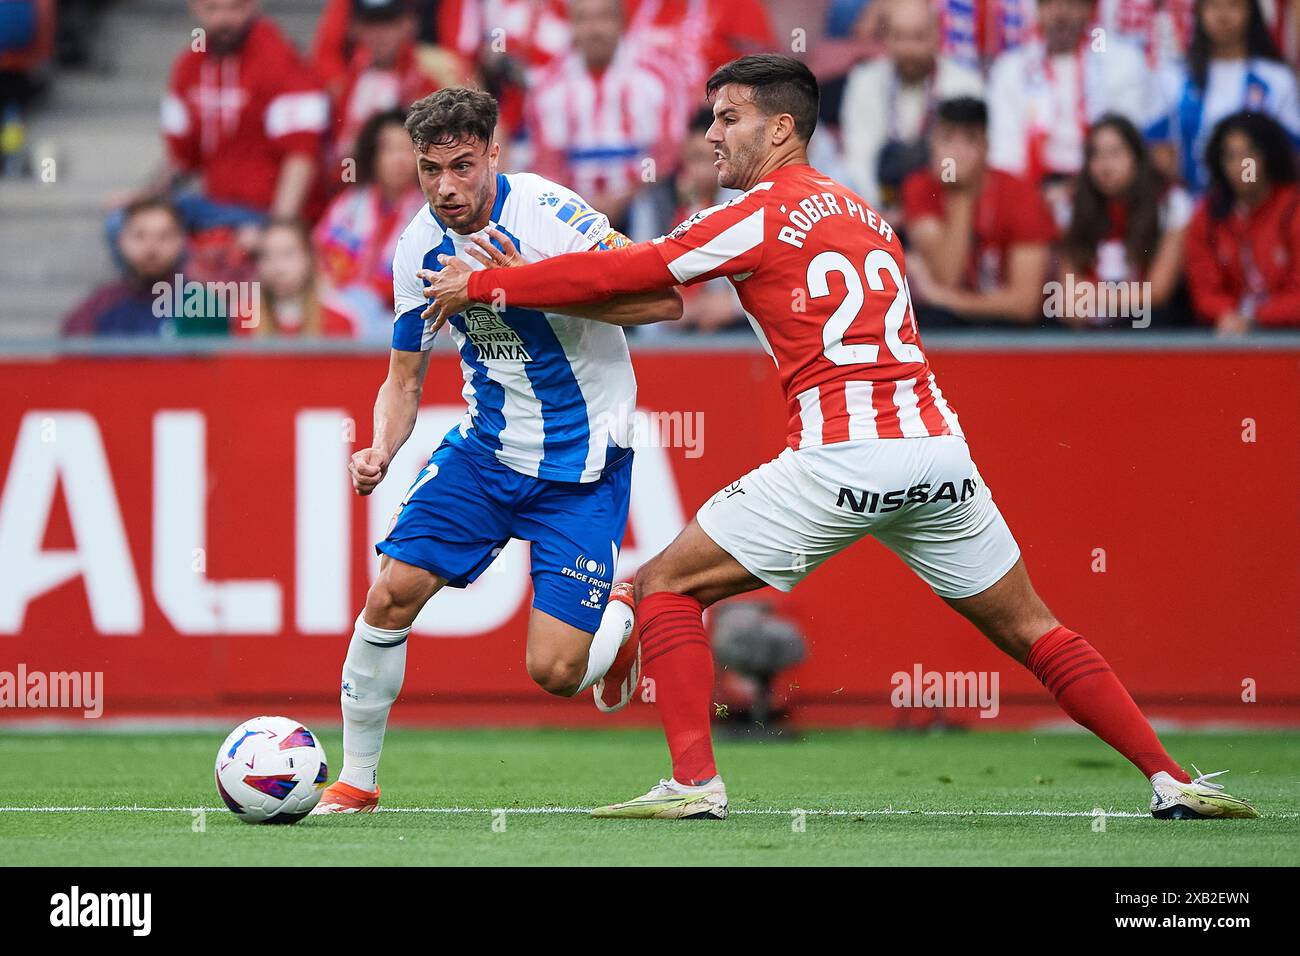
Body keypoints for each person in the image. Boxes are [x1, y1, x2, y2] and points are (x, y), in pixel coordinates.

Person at [428, 54, 1258, 822]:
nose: (712, 133)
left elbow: (633, 272)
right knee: (1036, 630)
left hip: (843, 453)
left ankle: (692, 783)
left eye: (728, 117)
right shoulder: (863, 209)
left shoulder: (751, 212)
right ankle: (1171, 778)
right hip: (938, 450)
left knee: (665, 588)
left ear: (780, 129)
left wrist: (489, 284)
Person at [310, 87, 683, 814]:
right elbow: (403, 377)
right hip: (485, 452)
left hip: (581, 470)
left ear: (493, 154)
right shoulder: (417, 243)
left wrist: (516, 288)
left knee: (555, 671)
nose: (445, 188)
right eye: (428, 169)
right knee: (390, 593)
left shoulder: (553, 216)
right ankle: (356, 781)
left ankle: (623, 618)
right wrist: (381, 447)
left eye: (461, 166)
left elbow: (661, 299)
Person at [525, 0, 684, 230]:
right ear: (571, 26)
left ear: (621, 22)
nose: (594, 28)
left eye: (603, 17)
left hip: (641, 199)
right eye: (584, 19)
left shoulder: (656, 76)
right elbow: (547, 163)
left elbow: (667, 153)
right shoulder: (548, 85)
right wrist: (580, 204)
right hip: (573, 207)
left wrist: (625, 194)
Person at [901, 97, 1056, 325]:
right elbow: (948, 276)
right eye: (948, 139)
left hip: (1011, 330)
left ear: (986, 146)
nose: (957, 153)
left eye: (969, 141)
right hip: (949, 325)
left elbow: (1025, 304)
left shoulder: (1021, 194)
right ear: (932, 143)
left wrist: (945, 298)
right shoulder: (919, 188)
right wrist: (959, 195)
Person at [985, 0, 1166, 187]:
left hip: (1105, 187)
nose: (1061, 13)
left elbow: (1127, 144)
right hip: (1035, 188)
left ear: (1089, 9)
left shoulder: (1122, 61)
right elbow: (1005, 152)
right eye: (1050, 4)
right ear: (1037, 10)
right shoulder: (1011, 69)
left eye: (1072, 3)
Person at [839, 0, 984, 216]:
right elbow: (859, 159)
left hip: (942, 212)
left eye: (917, 37)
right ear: (886, 39)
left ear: (936, 37)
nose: (908, 49)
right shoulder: (864, 80)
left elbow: (969, 165)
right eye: (899, 37)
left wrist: (920, 214)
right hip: (879, 209)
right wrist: (876, 214)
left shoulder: (965, 85)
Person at [1150, 0, 1300, 193]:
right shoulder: (1175, 76)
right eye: (1213, 6)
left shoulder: (1276, 79)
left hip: (1258, 209)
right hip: (1191, 207)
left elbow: (1293, 150)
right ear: (1199, 12)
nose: (1223, 15)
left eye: (1233, 5)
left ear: (1251, 12)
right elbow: (1156, 146)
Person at [1058, 115, 1193, 326]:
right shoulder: (1074, 205)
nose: (1105, 166)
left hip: (1148, 325)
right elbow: (1068, 297)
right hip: (1094, 325)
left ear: (1136, 157)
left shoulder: (1170, 202)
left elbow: (1157, 292)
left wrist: (1093, 299)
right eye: (1096, 155)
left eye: (1114, 153)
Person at [314, 108, 426, 341]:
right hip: (343, 308)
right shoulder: (349, 205)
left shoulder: (431, 212)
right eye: (390, 149)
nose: (400, 159)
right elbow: (320, 258)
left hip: (400, 316)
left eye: (408, 150)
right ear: (373, 154)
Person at [1184, 110, 1300, 330]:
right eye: (1230, 156)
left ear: (1268, 155)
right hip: (1230, 334)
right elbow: (1205, 293)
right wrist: (1229, 315)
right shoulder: (1207, 216)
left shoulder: (1293, 209)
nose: (1241, 166)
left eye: (1249, 154)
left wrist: (1257, 318)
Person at [63, 197, 228, 337]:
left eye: (164, 237)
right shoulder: (98, 307)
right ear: (121, 241)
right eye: (140, 236)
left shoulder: (201, 306)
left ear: (180, 242)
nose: (151, 248)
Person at [241, 219, 357, 337]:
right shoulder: (246, 319)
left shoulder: (338, 323)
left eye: (288, 254)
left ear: (308, 258)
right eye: (266, 256)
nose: (277, 268)